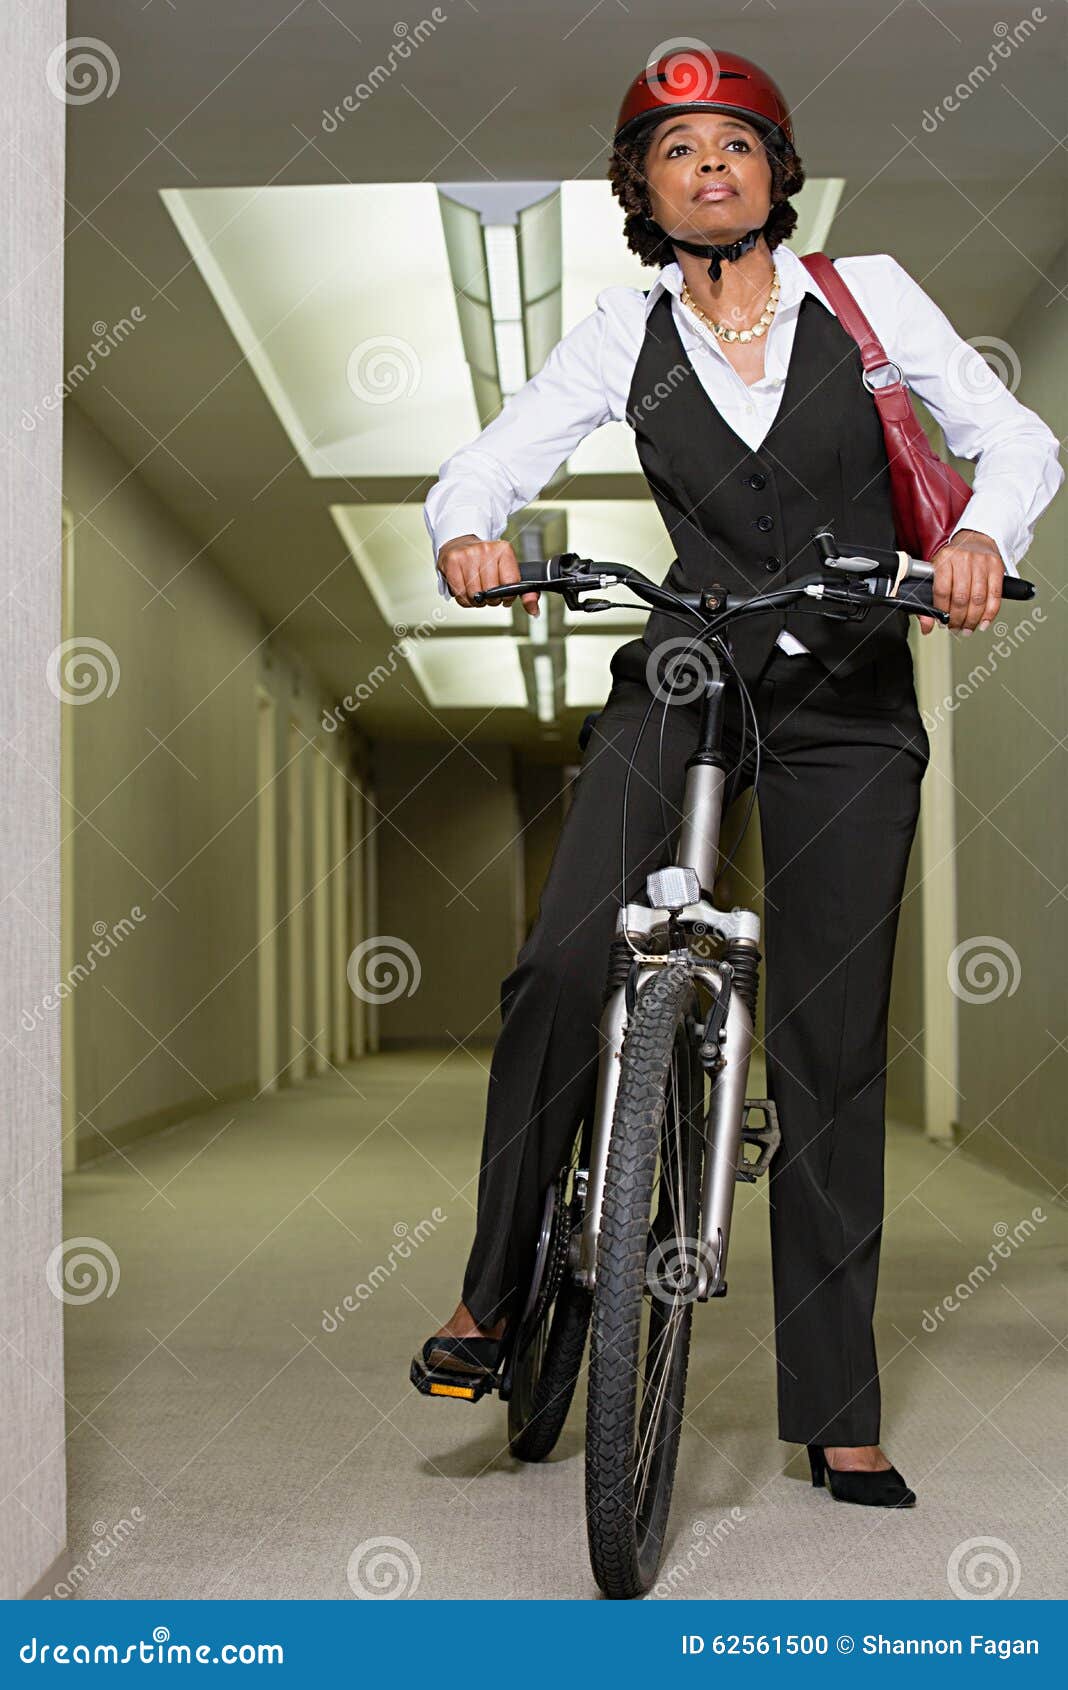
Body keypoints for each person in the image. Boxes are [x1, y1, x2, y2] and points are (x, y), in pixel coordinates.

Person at [412, 50, 1062, 1504]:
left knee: (829, 1045)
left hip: (846, 694)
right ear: (640, 189)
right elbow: (486, 467)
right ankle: (499, 1293)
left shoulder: (870, 294)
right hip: (688, 676)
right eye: (675, 147)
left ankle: (837, 1404)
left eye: (736, 144)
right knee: (564, 964)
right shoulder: (616, 330)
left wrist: (980, 539)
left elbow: (1017, 436)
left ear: (776, 171)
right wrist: (471, 535)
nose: (709, 164)